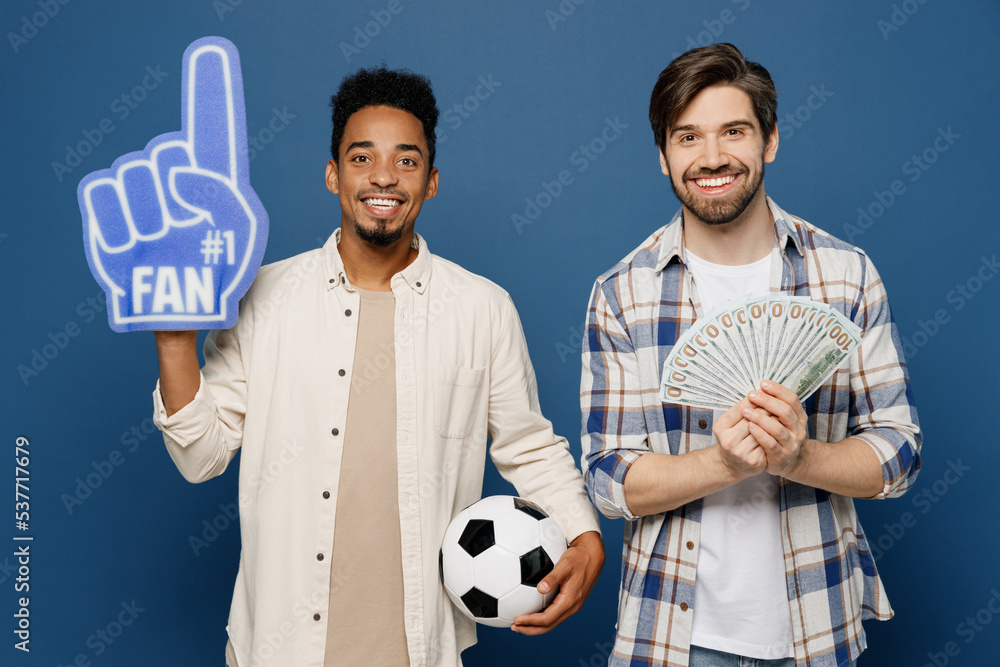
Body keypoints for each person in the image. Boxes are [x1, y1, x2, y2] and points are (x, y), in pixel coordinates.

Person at [153, 66, 603, 667]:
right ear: (334, 174)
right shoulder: (261, 298)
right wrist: (175, 341)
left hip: (418, 650)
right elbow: (200, 455)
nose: (384, 177)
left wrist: (586, 535)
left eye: (407, 161)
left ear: (432, 181)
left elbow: (528, 445)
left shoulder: (482, 309)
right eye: (362, 158)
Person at [580, 44, 920, 667]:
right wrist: (725, 462)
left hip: (818, 630)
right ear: (663, 157)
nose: (711, 158)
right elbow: (608, 477)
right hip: (673, 639)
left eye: (733, 131)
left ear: (769, 141)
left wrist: (799, 454)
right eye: (687, 137)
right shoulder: (622, 293)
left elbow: (898, 454)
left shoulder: (846, 277)